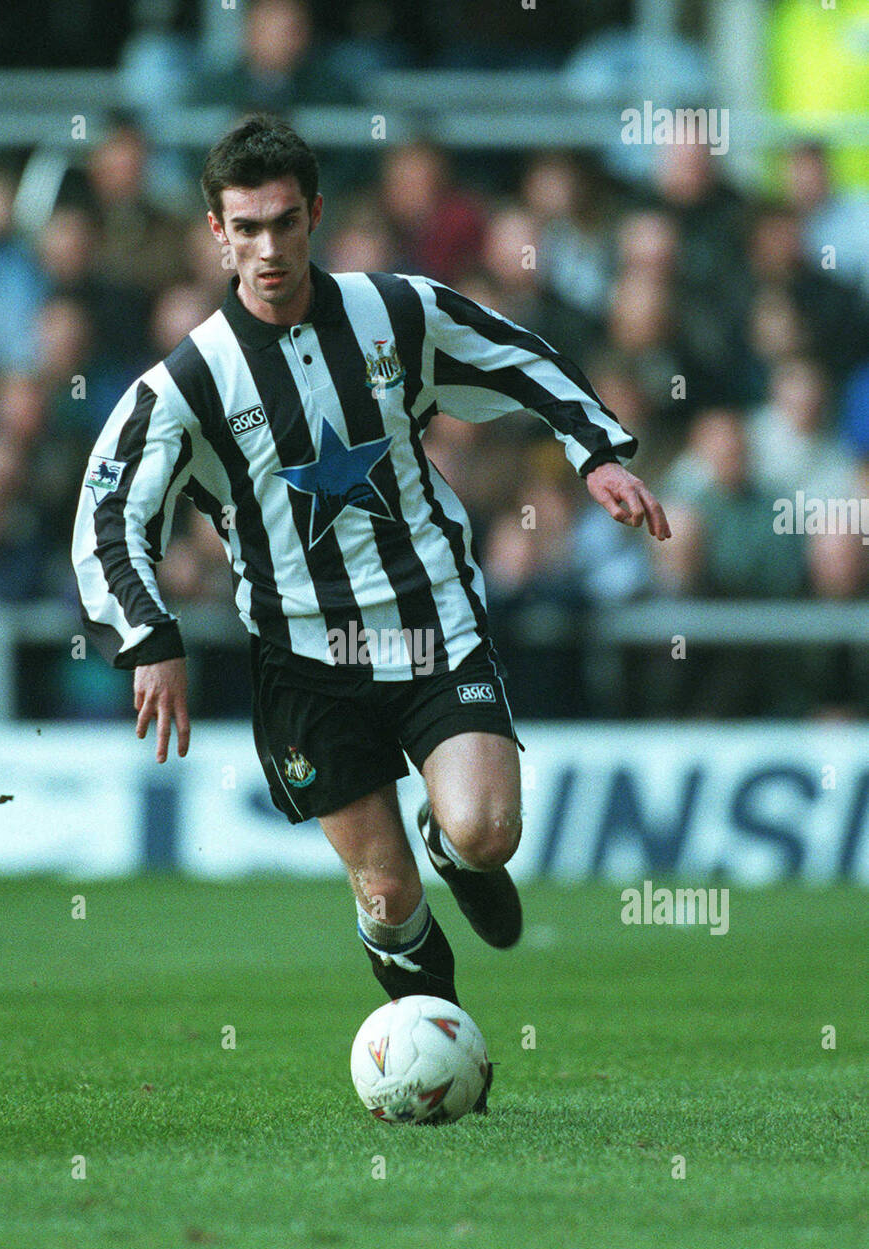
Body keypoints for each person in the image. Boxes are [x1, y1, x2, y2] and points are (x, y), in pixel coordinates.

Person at [72, 116, 670, 1112]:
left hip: (430, 620)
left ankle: (450, 848)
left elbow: (515, 354)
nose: (268, 249)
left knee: (486, 833)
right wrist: (148, 637)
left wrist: (595, 448)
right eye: (245, 228)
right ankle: (443, 1075)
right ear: (217, 235)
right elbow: (105, 514)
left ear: (314, 216)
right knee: (385, 899)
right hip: (304, 659)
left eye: (283, 224)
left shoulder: (395, 311)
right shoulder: (187, 382)